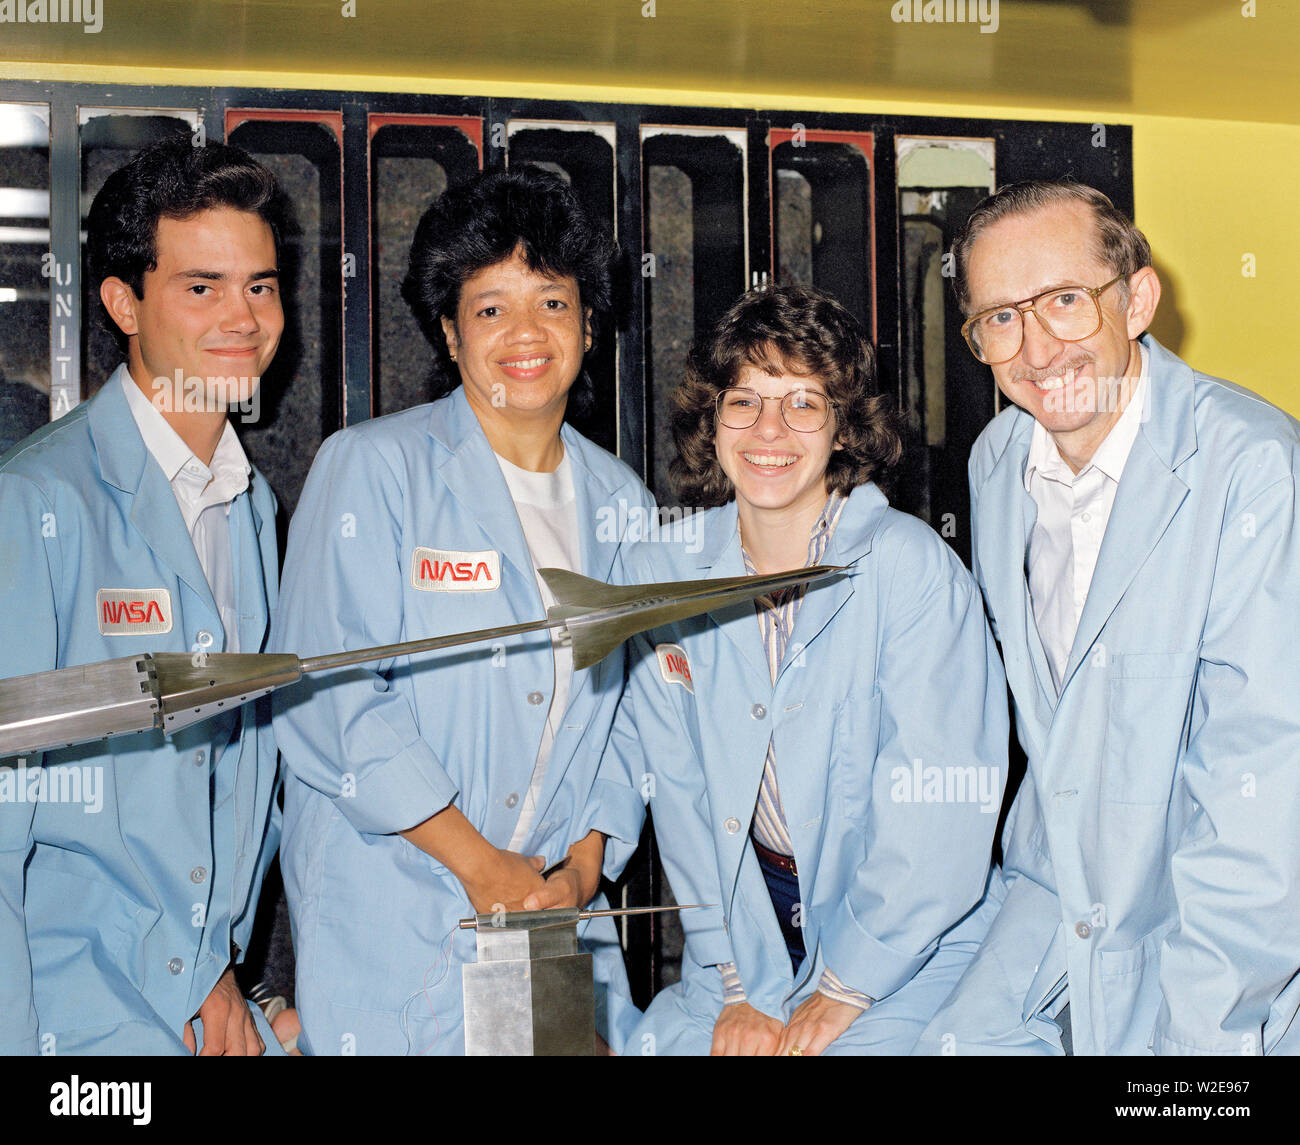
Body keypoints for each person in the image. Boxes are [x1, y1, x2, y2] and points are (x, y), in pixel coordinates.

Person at [270, 167, 654, 1055]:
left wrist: (586, 863)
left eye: (552, 303)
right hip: (399, 916)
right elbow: (329, 697)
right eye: (490, 309)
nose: (525, 333)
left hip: (556, 924)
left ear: (589, 325)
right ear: (449, 333)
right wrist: (480, 865)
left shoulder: (622, 499)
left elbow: (634, 711)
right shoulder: (372, 469)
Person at [915, 180, 1300, 1056]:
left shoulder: (1256, 472)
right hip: (1055, 904)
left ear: (1137, 300)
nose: (1039, 348)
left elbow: (1262, 805)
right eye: (1000, 319)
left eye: (1064, 301)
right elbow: (1061, 755)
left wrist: (1201, 1052)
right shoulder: (998, 461)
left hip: (1228, 949)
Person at [614, 284, 1008, 1056]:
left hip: (909, 928)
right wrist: (736, 985)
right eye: (744, 401)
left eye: (803, 402)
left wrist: (844, 987)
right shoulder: (659, 571)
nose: (770, 430)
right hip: (740, 921)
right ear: (712, 418)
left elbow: (940, 812)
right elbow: (683, 800)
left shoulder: (910, 568)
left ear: (844, 426)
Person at [0, 137, 287, 1055]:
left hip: (200, 1002)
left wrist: (224, 976)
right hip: (66, 1012)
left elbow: (240, 772)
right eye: (200, 287)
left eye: (261, 285)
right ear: (122, 301)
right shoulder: (40, 500)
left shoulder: (254, 507)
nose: (241, 317)